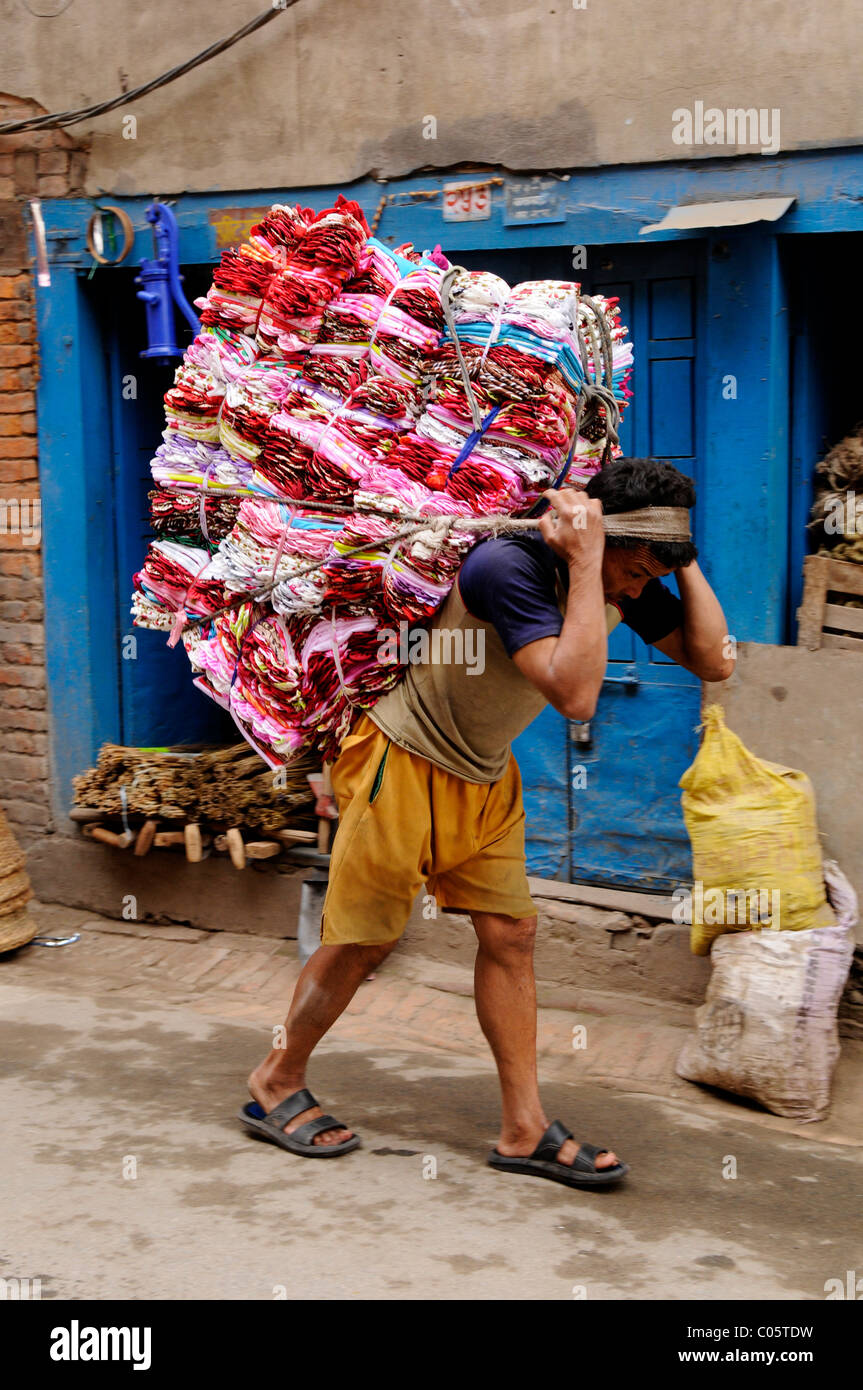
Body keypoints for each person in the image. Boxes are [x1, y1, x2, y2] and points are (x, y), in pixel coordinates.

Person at [239, 457, 735, 1189]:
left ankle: (522, 1129)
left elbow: (714, 660)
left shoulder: (623, 572)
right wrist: (592, 556)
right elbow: (575, 695)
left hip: (479, 771)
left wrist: (680, 560)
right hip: (398, 759)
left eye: (647, 576)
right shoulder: (510, 566)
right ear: (600, 544)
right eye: (636, 571)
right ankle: (274, 1080)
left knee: (511, 933)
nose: (639, 588)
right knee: (364, 943)